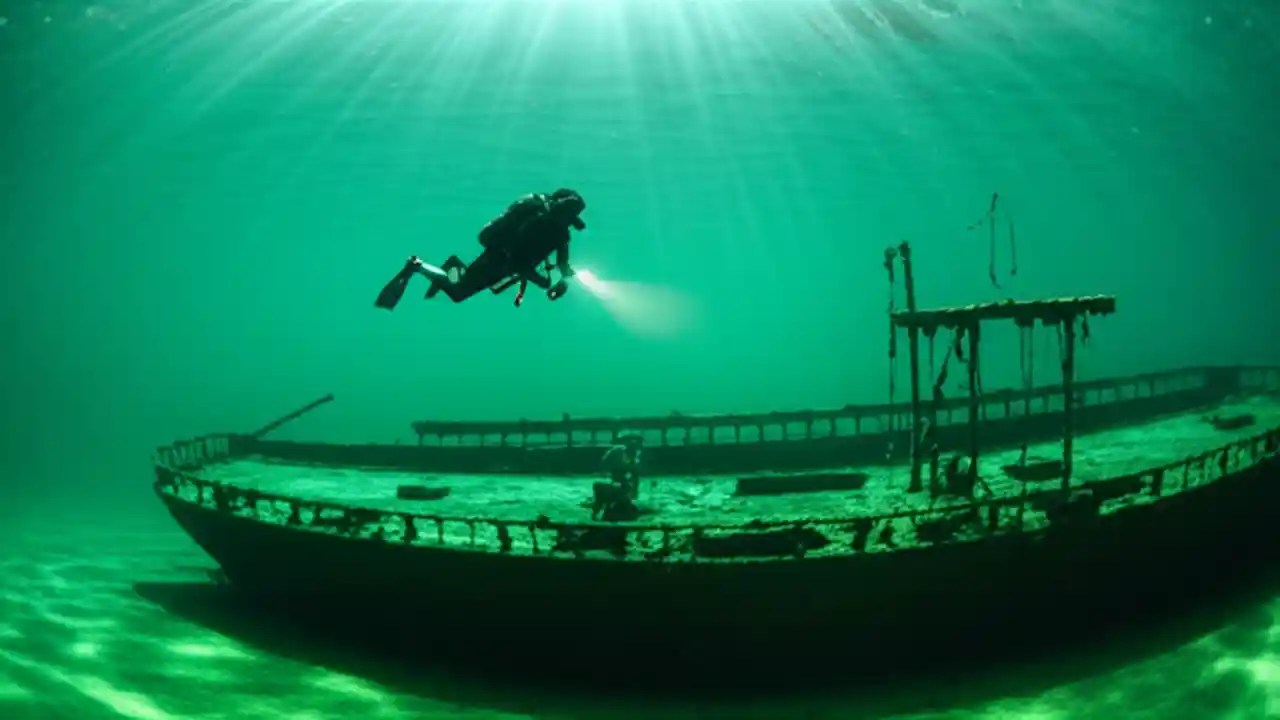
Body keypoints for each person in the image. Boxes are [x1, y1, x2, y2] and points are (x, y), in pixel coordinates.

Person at [374, 189, 586, 311]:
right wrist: (544, 281)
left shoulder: (559, 232)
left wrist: (563, 282)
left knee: (462, 289)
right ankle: (417, 266)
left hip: (500, 264)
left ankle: (453, 268)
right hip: (496, 261)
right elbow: (524, 261)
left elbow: (563, 265)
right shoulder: (552, 229)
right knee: (458, 293)